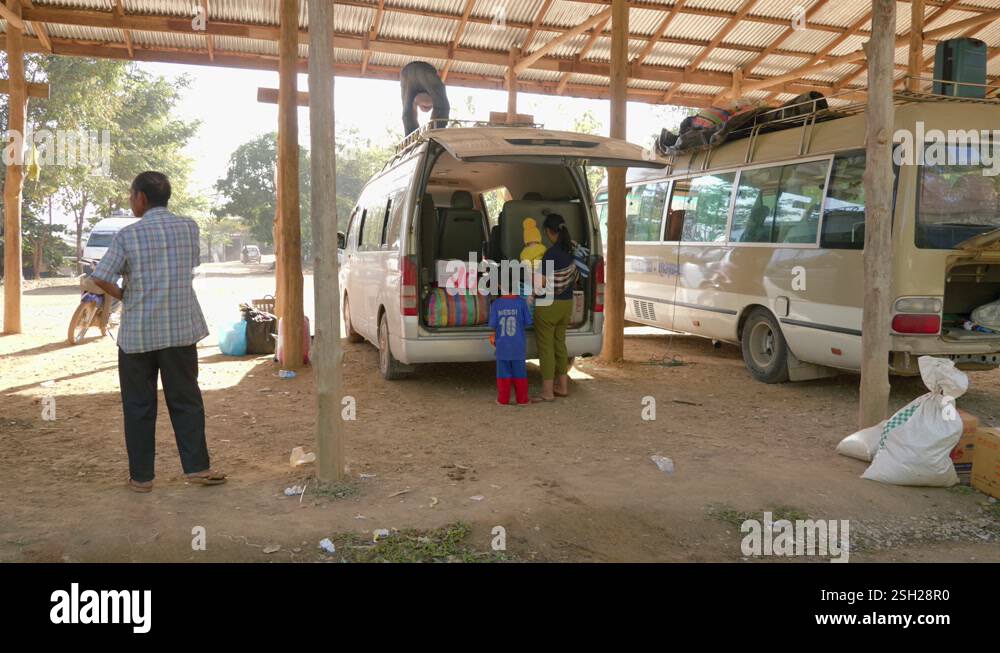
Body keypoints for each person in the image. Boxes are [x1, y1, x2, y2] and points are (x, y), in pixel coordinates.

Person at [90, 171, 226, 493]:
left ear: (141, 198)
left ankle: (141, 479)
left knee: (139, 406)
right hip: (180, 331)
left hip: (138, 336)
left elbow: (101, 276)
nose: (129, 200)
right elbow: (189, 264)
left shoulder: (127, 236)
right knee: (186, 400)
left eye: (130, 194)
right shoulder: (189, 228)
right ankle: (197, 468)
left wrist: (126, 294)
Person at [532, 213, 578, 402]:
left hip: (548, 306)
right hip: (567, 305)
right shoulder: (572, 250)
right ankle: (563, 387)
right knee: (560, 344)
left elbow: (541, 283)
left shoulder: (551, 254)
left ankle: (548, 391)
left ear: (549, 232)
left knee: (546, 348)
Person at [489, 283, 533, 406]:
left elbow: (493, 324)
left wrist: (493, 336)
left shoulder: (496, 304)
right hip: (518, 345)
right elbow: (528, 322)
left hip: (502, 346)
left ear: (499, 286)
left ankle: (503, 400)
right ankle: (522, 400)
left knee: (503, 374)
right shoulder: (521, 303)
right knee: (520, 374)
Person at [400, 60, 450, 136]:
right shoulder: (424, 97)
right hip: (424, 70)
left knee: (407, 111)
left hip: (407, 73)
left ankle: (411, 136)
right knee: (443, 107)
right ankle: (434, 135)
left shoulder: (417, 99)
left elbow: (413, 107)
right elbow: (437, 105)